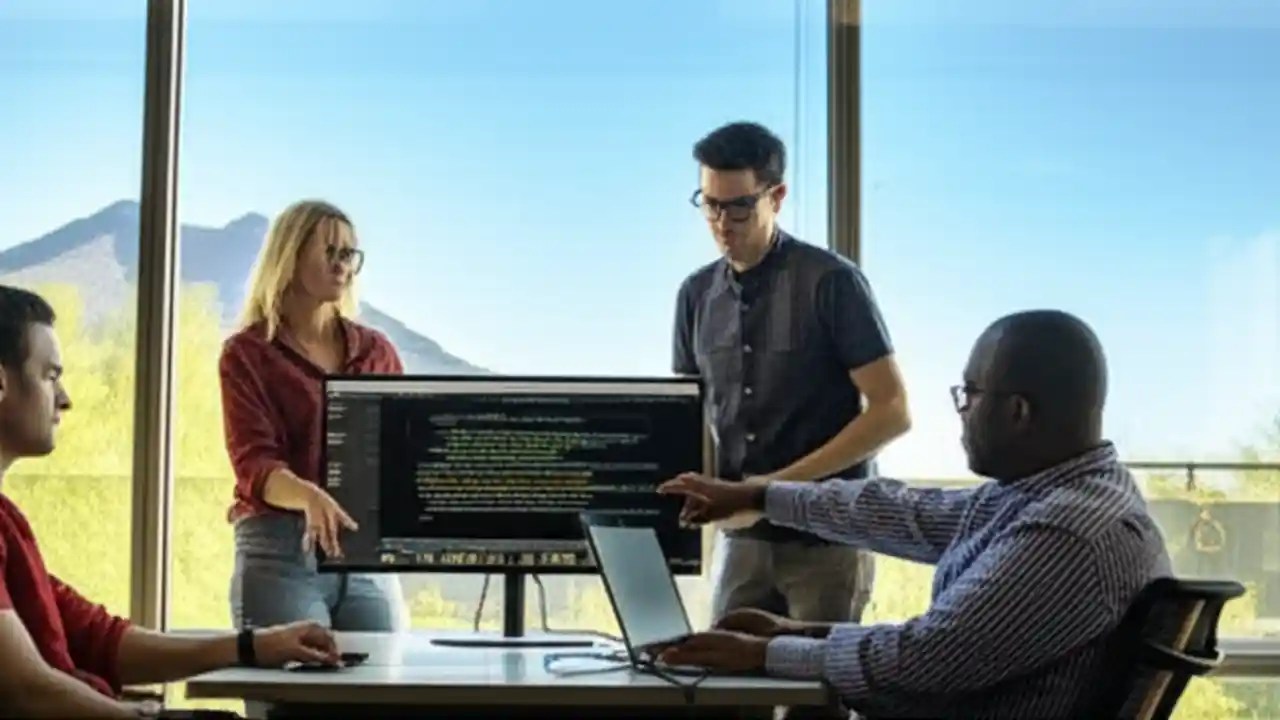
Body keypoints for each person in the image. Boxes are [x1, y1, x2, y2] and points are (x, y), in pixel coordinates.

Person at [658, 309, 1173, 719]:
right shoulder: (1049, 495)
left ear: (1018, 412)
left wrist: (761, 654)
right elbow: (903, 513)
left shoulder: (1068, 534)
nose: (963, 411)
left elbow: (924, 661)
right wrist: (757, 498)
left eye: (969, 394)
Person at [0, 285, 341, 719]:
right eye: (50, 376)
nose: (65, 398)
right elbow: (23, 691)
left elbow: (100, 639)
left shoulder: (8, 524)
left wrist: (255, 645)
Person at [672, 121, 911, 628]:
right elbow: (688, 417)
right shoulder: (694, 296)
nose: (722, 221)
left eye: (738, 205)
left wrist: (771, 490)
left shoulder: (833, 283)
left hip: (827, 537)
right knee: (724, 693)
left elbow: (892, 412)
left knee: (817, 700)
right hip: (741, 539)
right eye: (710, 204)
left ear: (776, 196)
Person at [218, 201, 405, 711]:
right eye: (329, 250)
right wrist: (308, 496)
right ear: (289, 256)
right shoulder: (247, 354)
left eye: (350, 253)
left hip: (364, 555)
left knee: (391, 698)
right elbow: (254, 464)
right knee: (294, 707)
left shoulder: (378, 352)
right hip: (279, 553)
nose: (342, 263)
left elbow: (400, 449)